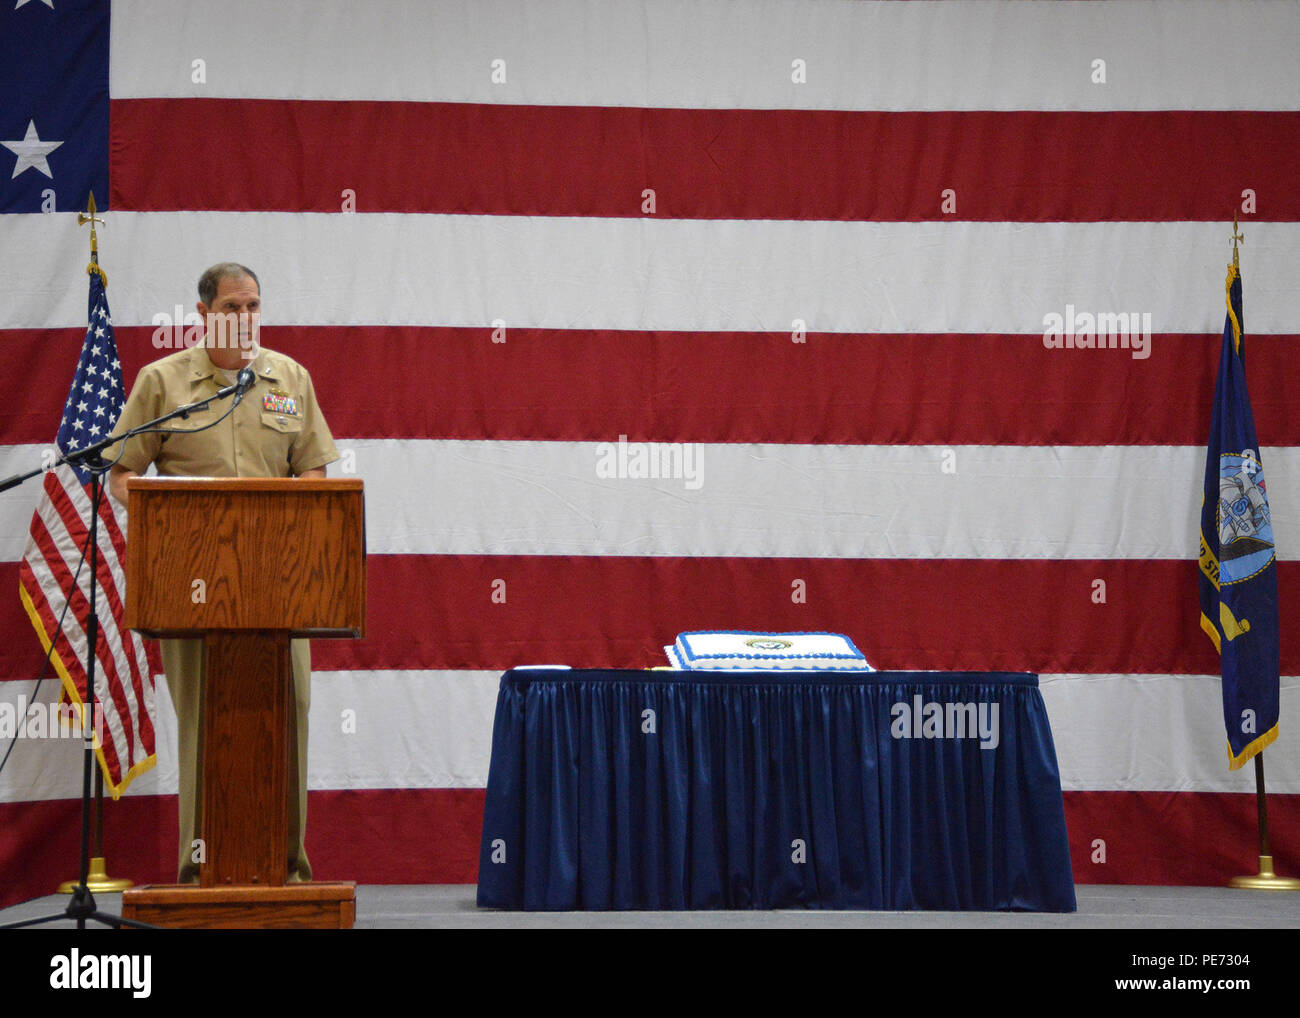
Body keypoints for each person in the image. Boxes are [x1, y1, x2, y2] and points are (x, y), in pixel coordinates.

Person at [106, 262, 338, 883]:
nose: (244, 317)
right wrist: (174, 526)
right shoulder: (164, 382)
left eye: (253, 305)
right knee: (204, 726)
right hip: (193, 587)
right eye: (232, 307)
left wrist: (290, 523)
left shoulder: (288, 378)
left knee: (289, 718)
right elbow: (122, 474)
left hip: (277, 587)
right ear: (204, 313)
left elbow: (313, 473)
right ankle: (199, 873)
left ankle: (288, 871)